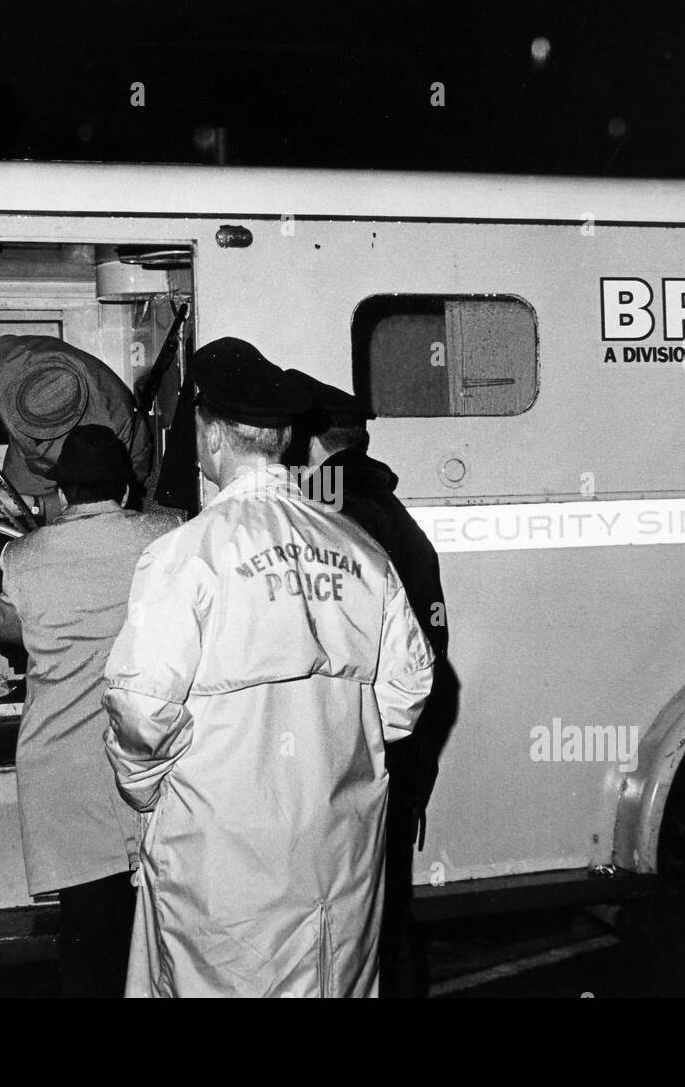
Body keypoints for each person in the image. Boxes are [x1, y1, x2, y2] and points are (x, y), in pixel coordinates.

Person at [102, 336, 436, 998]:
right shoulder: (358, 548)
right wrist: (334, 747)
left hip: (225, 856)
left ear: (211, 435)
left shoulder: (185, 556)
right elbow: (408, 689)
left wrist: (146, 789)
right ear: (282, 441)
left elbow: (141, 708)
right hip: (338, 849)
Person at [0, 424, 180, 997]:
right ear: (124, 490)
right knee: (156, 926)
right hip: (151, 753)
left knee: (86, 932)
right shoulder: (167, 533)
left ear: (65, 492)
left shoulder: (21, 555)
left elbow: (7, 630)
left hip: (64, 767)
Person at [292, 370, 453, 997]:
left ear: (310, 444)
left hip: (355, 756)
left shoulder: (333, 518)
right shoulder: (392, 513)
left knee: (350, 926)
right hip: (400, 746)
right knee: (388, 914)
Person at [0, 334, 152, 514]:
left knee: (88, 530)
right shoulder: (2, 361)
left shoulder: (110, 422)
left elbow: (95, 502)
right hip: (27, 455)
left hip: (104, 463)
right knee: (7, 515)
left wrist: (33, 506)